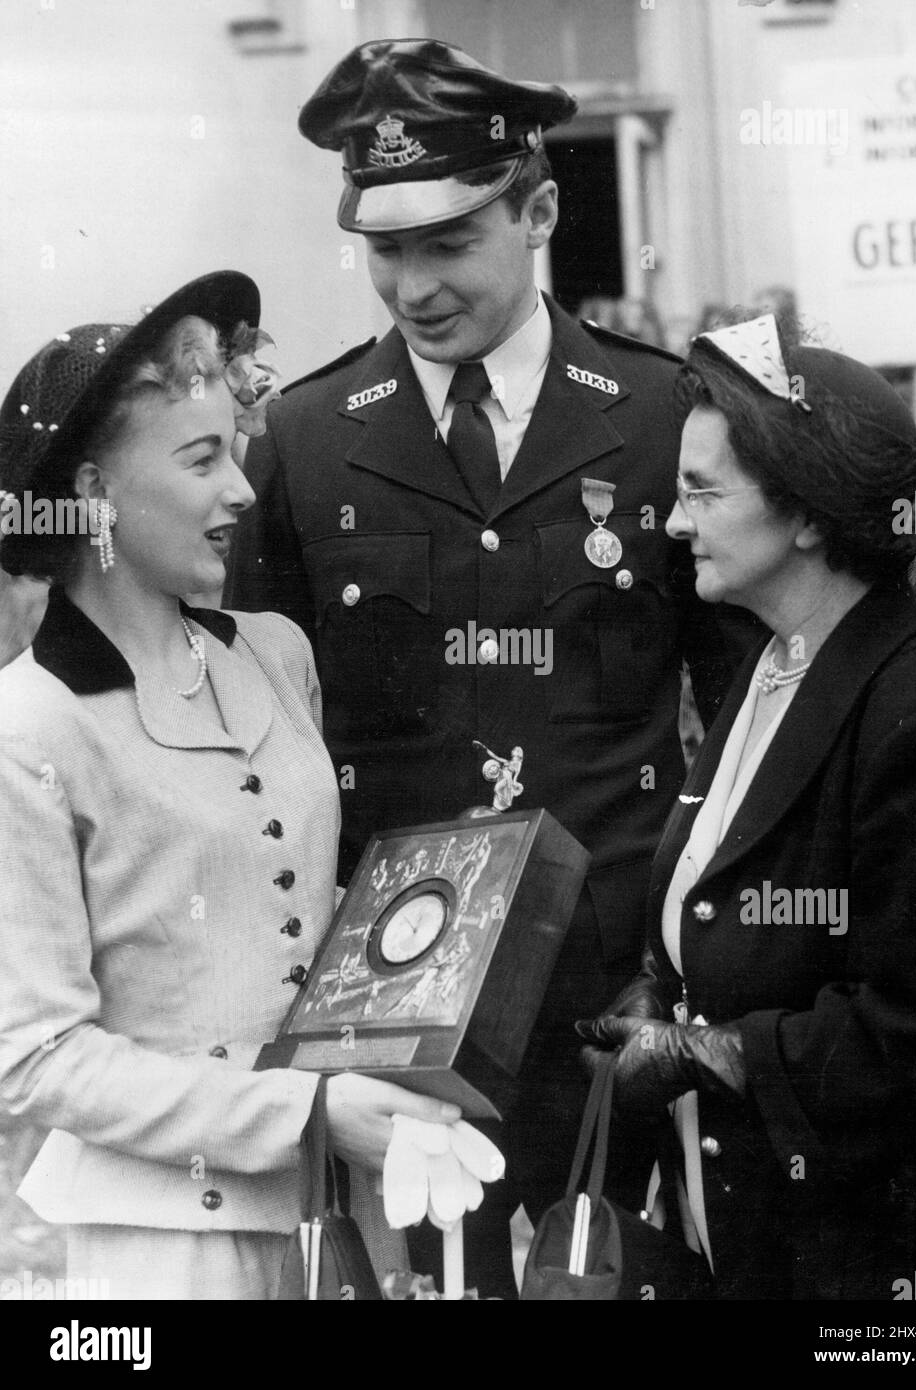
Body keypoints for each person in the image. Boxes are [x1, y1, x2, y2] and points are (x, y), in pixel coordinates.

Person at [227, 38, 756, 1295]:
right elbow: (261, 731)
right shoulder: (304, 441)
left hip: (612, 1010)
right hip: (387, 1023)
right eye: (385, 248)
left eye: (450, 242)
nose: (411, 285)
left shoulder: (659, 415)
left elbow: (743, 723)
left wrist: (690, 972)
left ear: (540, 212)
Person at [0, 271, 461, 1300]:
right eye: (202, 458)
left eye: (236, 450)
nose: (243, 489)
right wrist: (298, 1112)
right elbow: (35, 1058)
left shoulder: (273, 653)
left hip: (343, 1212)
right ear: (91, 492)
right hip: (166, 1248)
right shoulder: (27, 727)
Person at [578, 312, 916, 1299]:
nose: (674, 523)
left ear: (809, 515)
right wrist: (665, 992)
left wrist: (705, 1051)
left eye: (701, 492)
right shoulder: (774, 671)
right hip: (741, 1242)